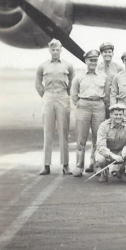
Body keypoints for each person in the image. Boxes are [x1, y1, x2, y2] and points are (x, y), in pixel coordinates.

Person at [35, 39, 75, 175]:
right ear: (49, 50)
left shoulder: (68, 65)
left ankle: (65, 165)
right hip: (48, 97)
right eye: (53, 50)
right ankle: (46, 165)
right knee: (48, 132)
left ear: (61, 49)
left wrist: (65, 94)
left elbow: (73, 83)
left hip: (63, 97)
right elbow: (38, 84)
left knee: (64, 132)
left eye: (57, 49)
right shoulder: (43, 66)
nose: (55, 52)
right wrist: (45, 95)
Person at [70, 49, 107, 175]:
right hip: (84, 105)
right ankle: (79, 167)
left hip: (98, 105)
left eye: (95, 60)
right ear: (86, 61)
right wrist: (79, 104)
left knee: (98, 138)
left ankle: (97, 165)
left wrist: (101, 104)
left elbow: (106, 94)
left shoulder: (103, 76)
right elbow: (74, 94)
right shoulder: (79, 77)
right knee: (81, 138)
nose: (93, 63)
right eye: (91, 60)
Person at [93, 102, 126, 183]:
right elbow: (100, 146)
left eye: (121, 114)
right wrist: (112, 155)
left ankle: (121, 172)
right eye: (116, 114)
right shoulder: (103, 126)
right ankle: (104, 173)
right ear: (111, 115)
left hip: (122, 152)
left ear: (123, 115)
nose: (118, 117)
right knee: (100, 158)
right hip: (108, 153)